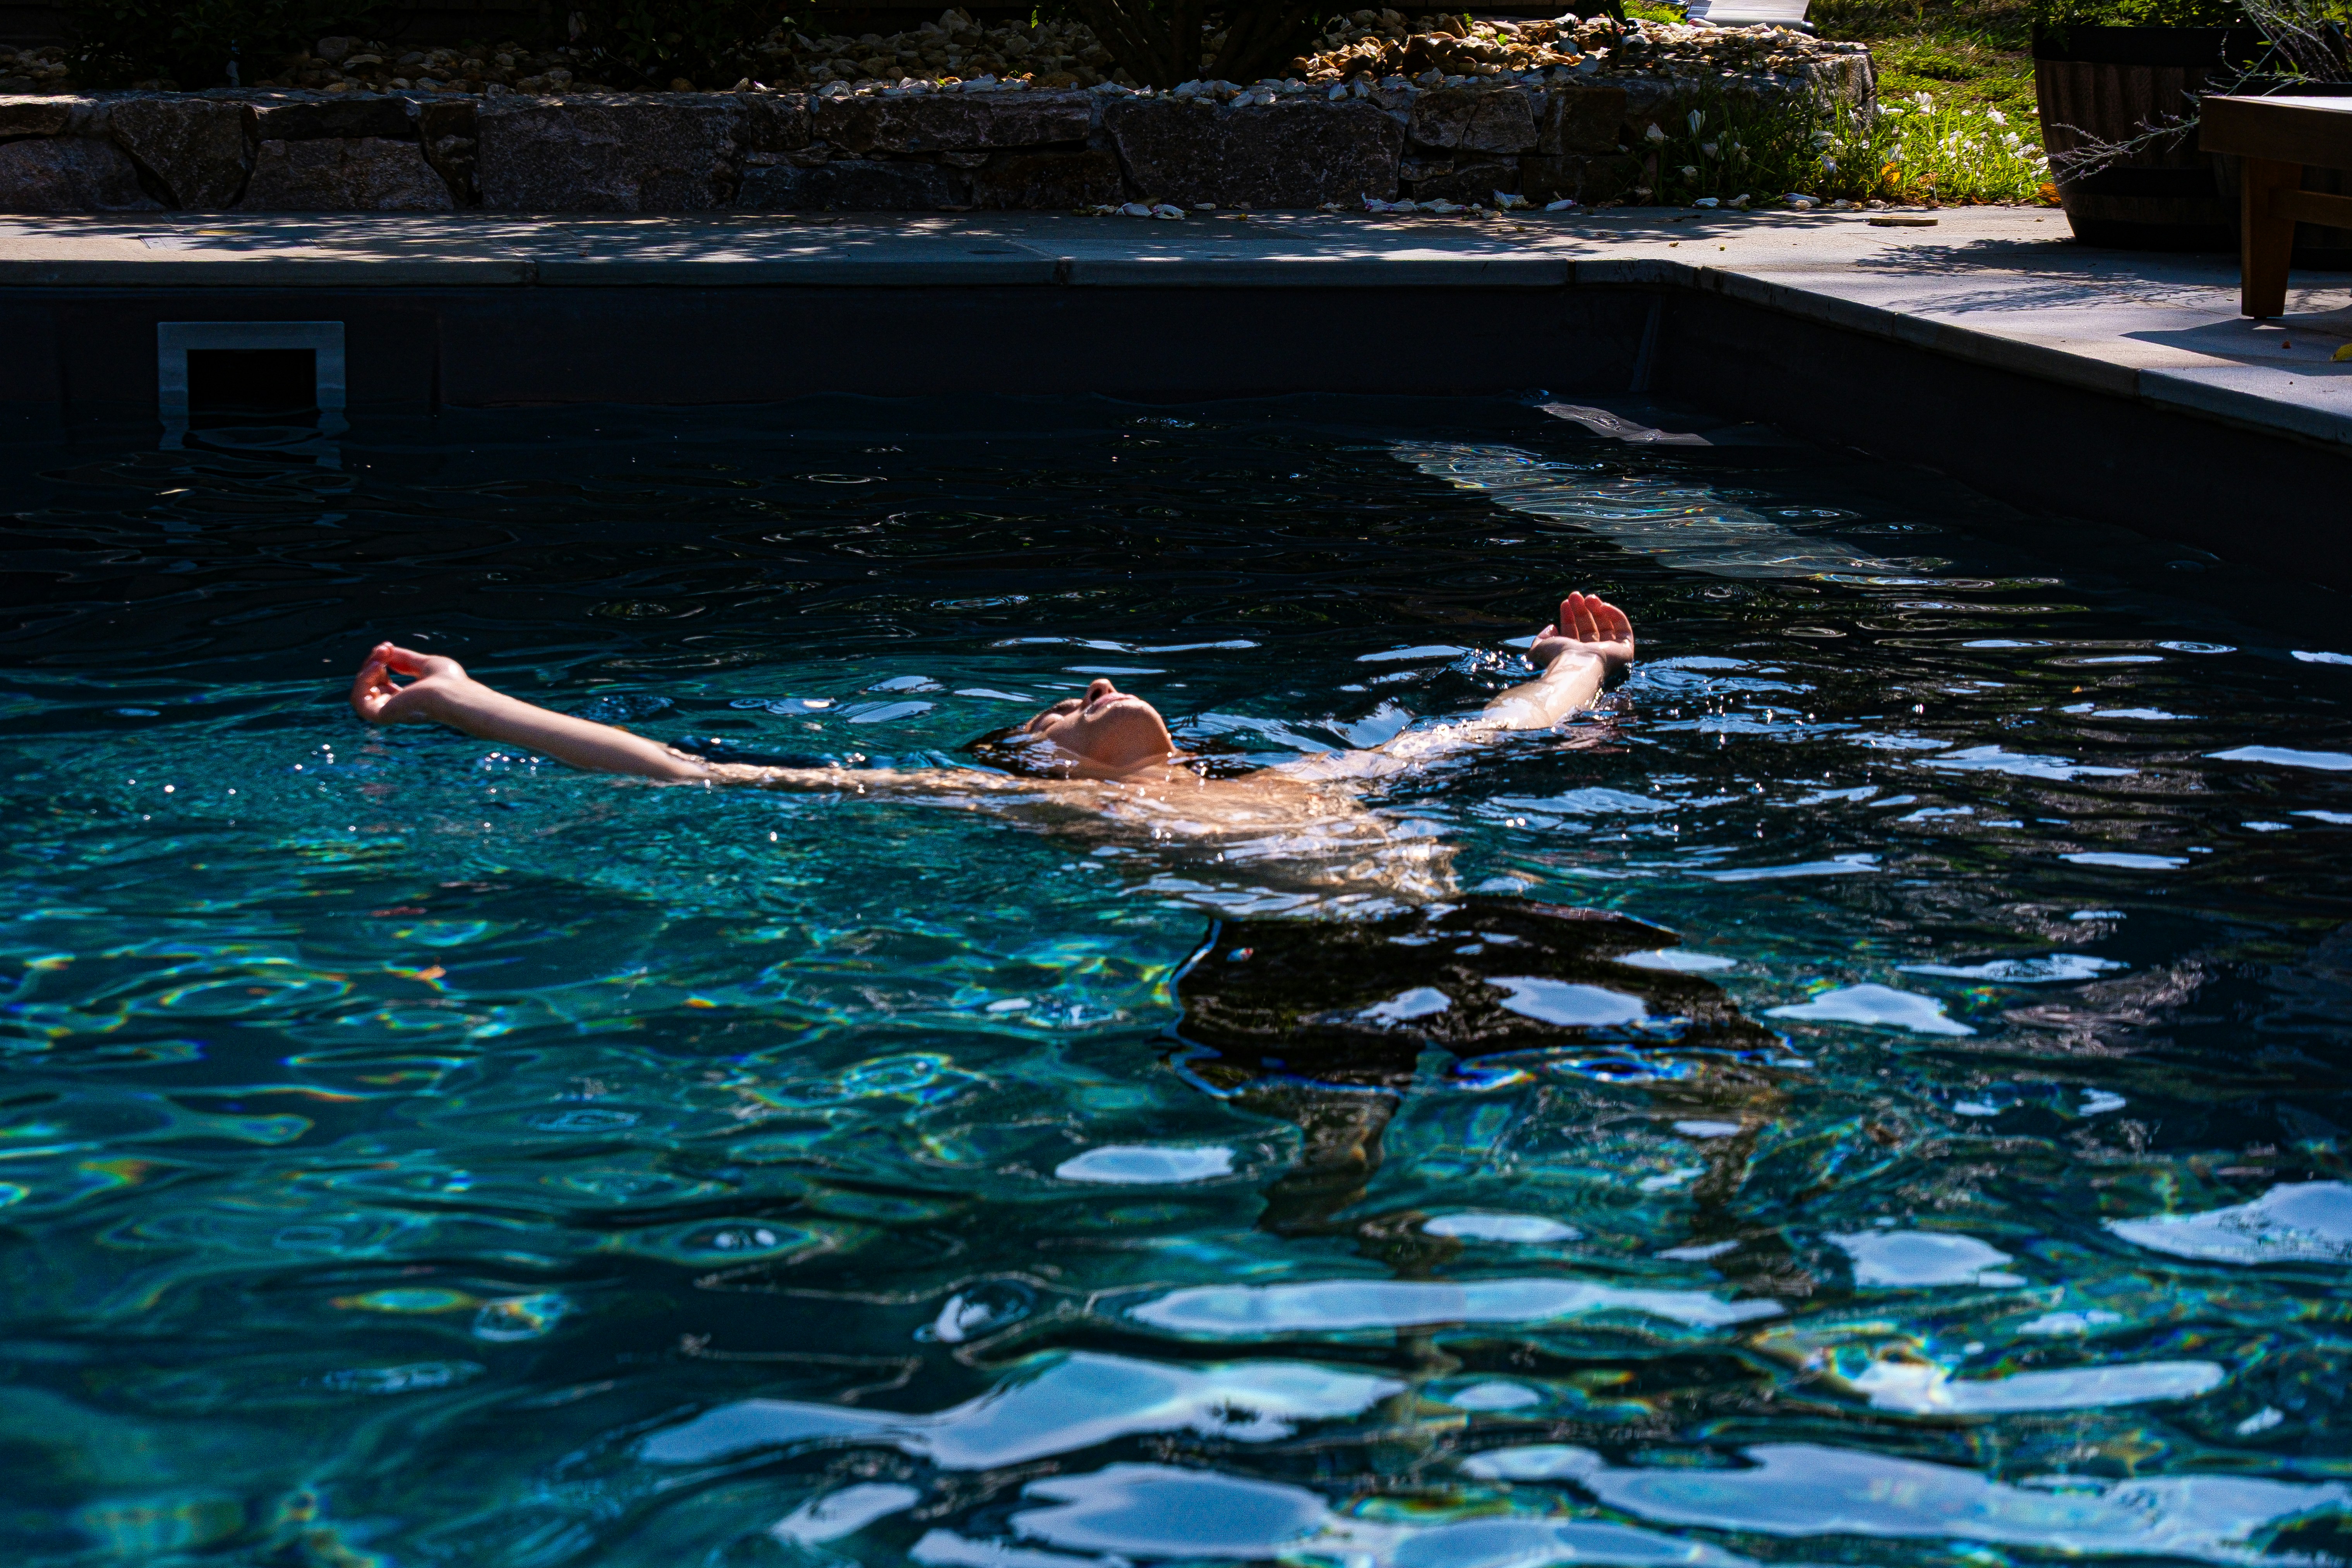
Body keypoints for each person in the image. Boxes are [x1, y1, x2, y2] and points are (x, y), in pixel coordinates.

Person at [348, 593, 1637, 899]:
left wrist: (1582, 663)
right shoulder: (1013, 806)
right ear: (1047, 769)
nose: (1095, 679)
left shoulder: (1289, 779)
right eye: (1065, 711)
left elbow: (1494, 726)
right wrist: (464, 699)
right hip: (1303, 951)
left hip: (1449, 916)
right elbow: (694, 771)